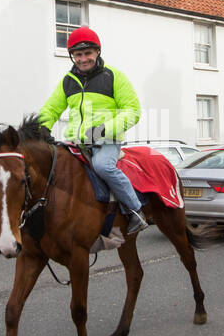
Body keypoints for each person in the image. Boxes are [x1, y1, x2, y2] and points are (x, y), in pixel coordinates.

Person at [38, 27, 148, 234]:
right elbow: (51, 108)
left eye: (87, 53)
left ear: (97, 52)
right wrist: (43, 126)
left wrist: (101, 130)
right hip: (76, 142)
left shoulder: (115, 76)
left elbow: (133, 111)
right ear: (72, 56)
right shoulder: (67, 81)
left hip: (106, 141)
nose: (82, 59)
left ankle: (135, 211)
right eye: (77, 55)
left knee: (103, 166)